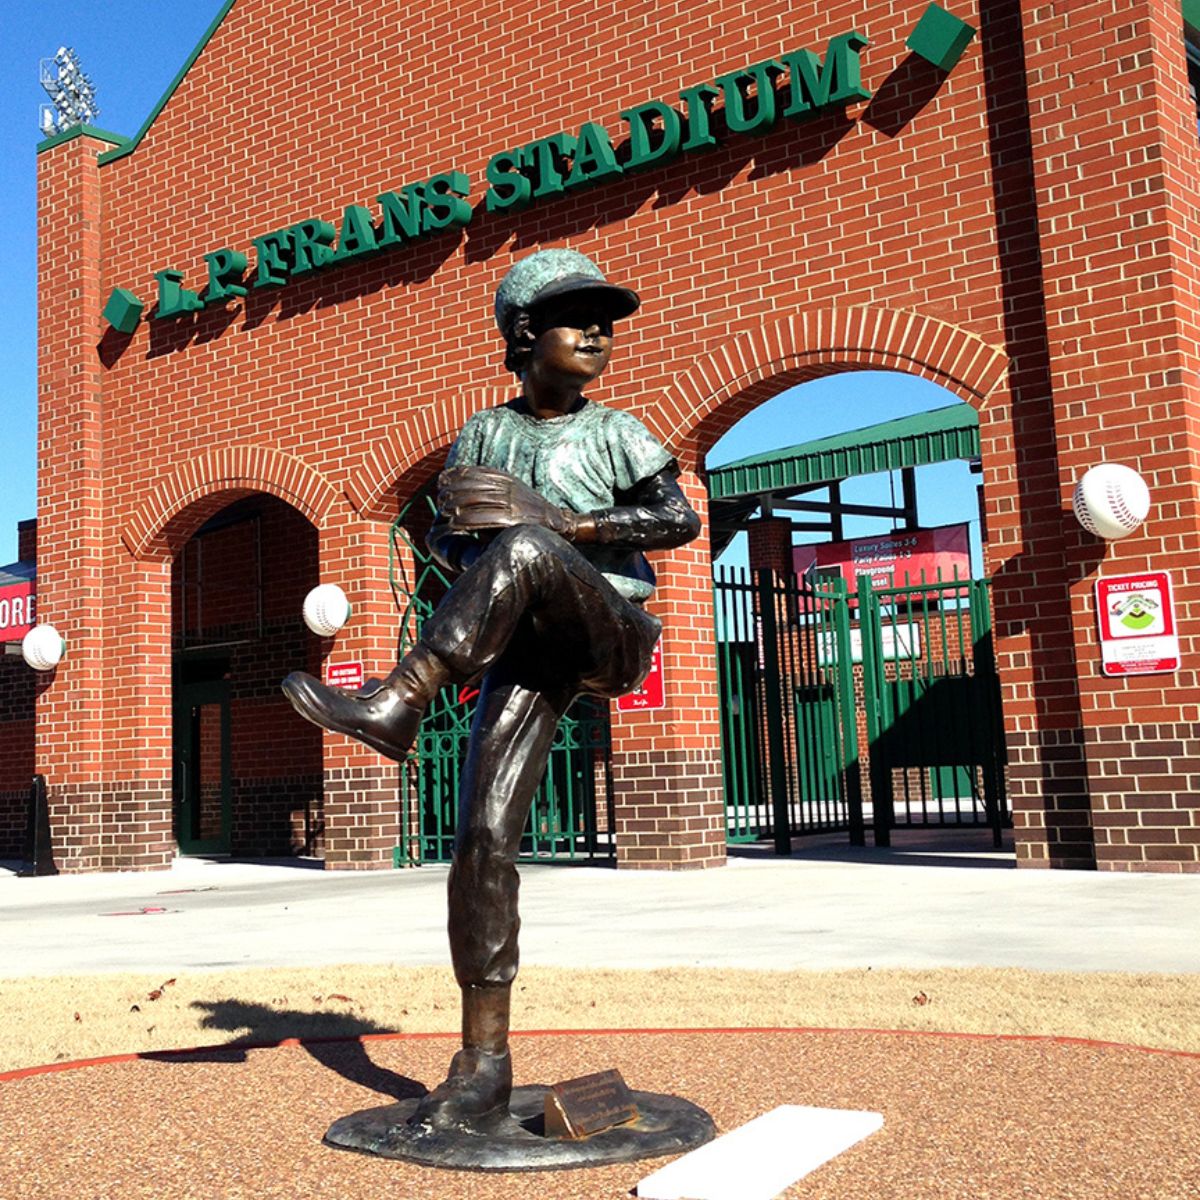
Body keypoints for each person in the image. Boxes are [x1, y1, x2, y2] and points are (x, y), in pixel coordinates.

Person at [282, 248, 700, 1132]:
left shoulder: (617, 431)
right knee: (481, 842)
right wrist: (465, 540)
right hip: (524, 646)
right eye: (575, 318)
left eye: (606, 321)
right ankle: (482, 1064)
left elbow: (676, 517)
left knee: (531, 548)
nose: (598, 332)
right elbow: (446, 543)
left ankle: (403, 698)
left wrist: (560, 522)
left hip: (607, 632)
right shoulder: (482, 435)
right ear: (521, 334)